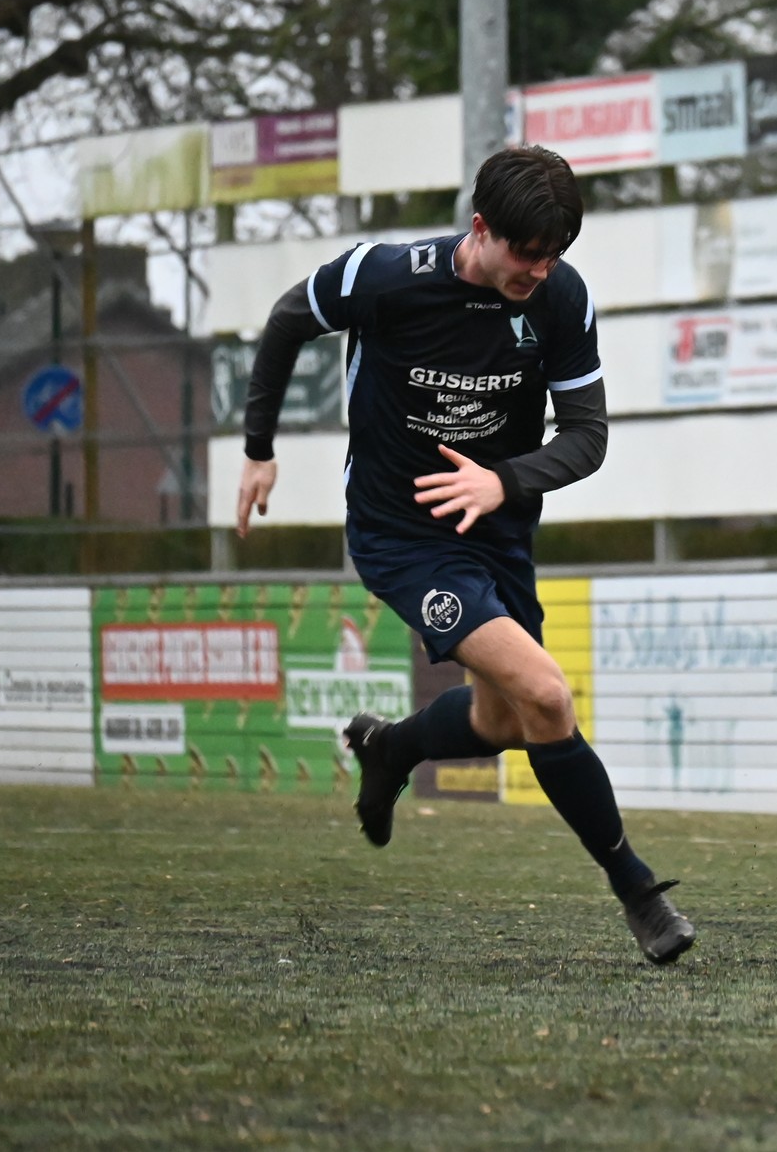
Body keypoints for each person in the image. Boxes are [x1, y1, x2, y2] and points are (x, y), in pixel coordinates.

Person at [235, 145, 694, 965]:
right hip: (402, 535)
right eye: (526, 253)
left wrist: (502, 482)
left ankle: (394, 746)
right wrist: (258, 446)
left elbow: (588, 436)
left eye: (554, 255)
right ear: (481, 228)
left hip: (498, 527)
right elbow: (286, 319)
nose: (540, 269)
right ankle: (638, 890)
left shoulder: (560, 297)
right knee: (549, 697)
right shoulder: (385, 278)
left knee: (503, 719)